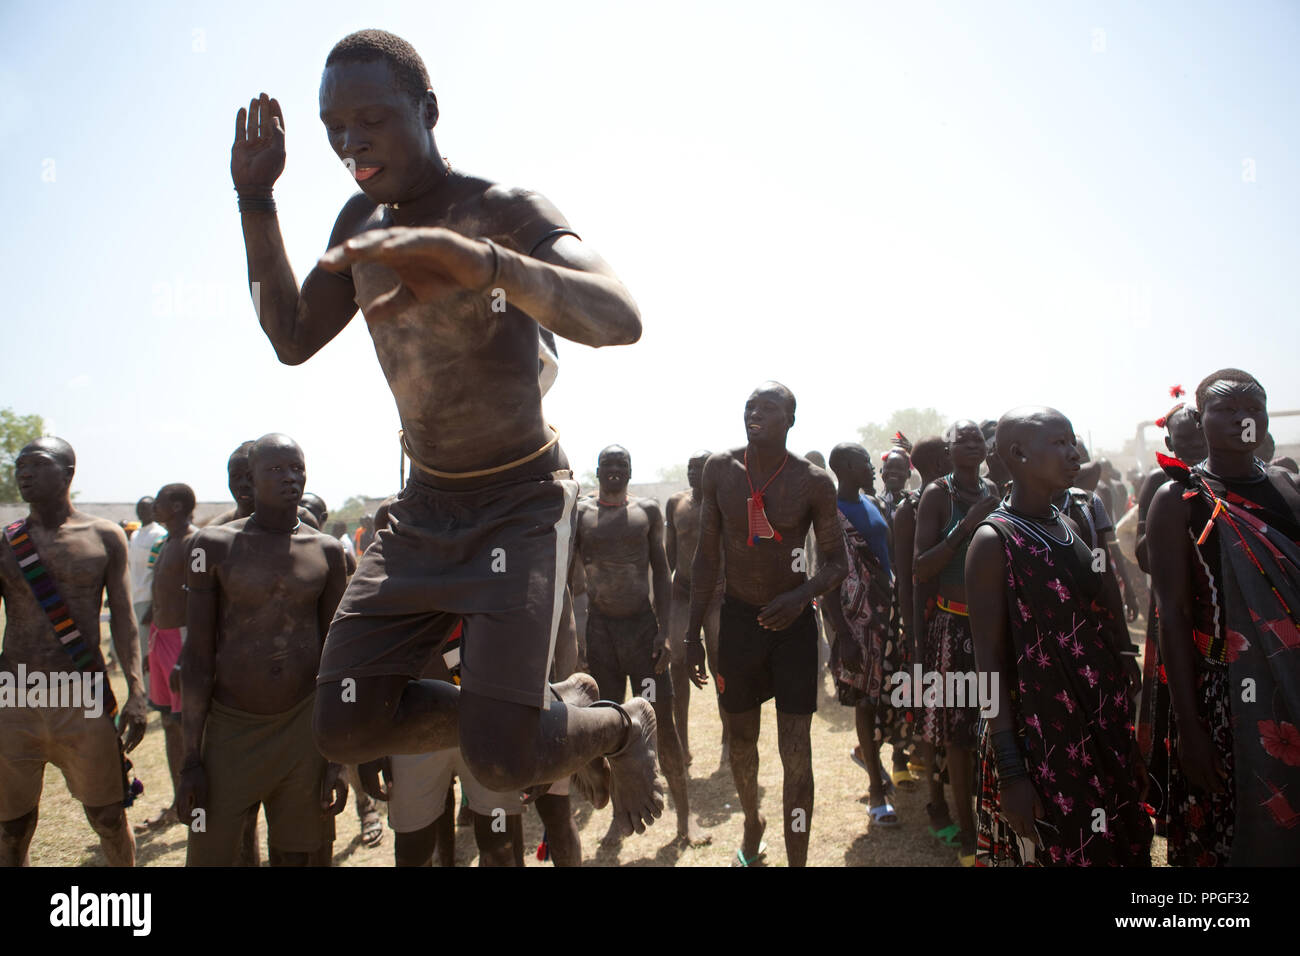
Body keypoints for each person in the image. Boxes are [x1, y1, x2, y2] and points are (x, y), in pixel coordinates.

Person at [235, 29, 662, 835]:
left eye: (371, 120)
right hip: (425, 510)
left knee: (505, 761)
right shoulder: (358, 220)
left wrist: (493, 267)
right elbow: (290, 336)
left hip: (519, 502)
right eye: (334, 129)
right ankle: (544, 712)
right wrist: (256, 205)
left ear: (428, 111)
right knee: (347, 725)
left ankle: (617, 724)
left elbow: (621, 316)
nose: (350, 143)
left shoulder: (503, 210)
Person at [968, 407, 1151, 866]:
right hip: (1041, 739)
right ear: (1018, 455)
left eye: (1073, 441)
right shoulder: (994, 540)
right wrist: (1012, 772)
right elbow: (987, 667)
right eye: (1060, 443)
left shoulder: (1067, 525)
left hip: (1096, 724)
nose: (1074, 453)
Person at [684, 382, 848, 866]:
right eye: (749, 405)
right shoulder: (721, 469)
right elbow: (705, 556)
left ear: (790, 420)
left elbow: (837, 563)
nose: (754, 412)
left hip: (793, 627)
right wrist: (692, 634)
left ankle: (797, 859)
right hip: (737, 623)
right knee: (740, 741)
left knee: (796, 750)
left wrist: (800, 598)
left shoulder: (813, 481)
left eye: (767, 407)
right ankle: (752, 818)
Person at [1147, 369, 1300, 865]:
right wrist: (1189, 729)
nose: (1242, 418)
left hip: (1293, 681)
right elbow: (1171, 613)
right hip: (1222, 693)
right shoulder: (1179, 500)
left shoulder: (1290, 488)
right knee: (1233, 828)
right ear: (1200, 417)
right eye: (1226, 409)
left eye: (1253, 407)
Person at [179, 434, 349, 865]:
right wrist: (190, 759)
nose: (290, 478)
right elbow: (197, 657)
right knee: (210, 851)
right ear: (249, 482)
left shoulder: (327, 552)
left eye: (297, 468)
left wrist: (337, 759)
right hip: (232, 725)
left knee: (296, 853)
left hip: (301, 724)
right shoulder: (211, 547)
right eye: (276, 469)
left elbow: (336, 655)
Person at [0, 438, 148, 866]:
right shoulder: (6, 543)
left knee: (107, 817)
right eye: (19, 466)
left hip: (81, 695)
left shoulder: (105, 536)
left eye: (36, 464)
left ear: (67, 474)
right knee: (11, 828)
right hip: (17, 695)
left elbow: (123, 619)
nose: (23, 473)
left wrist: (136, 691)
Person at [575, 445, 701, 848]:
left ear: (630, 471)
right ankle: (619, 817)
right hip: (602, 635)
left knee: (663, 724)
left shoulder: (647, 512)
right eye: (608, 466)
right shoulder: (581, 516)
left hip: (642, 633)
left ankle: (686, 819)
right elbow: (566, 574)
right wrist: (577, 640)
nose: (615, 472)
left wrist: (664, 632)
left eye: (622, 466)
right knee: (610, 728)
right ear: (597, 471)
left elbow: (662, 572)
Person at [912, 420, 1000, 864]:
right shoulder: (938, 495)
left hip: (996, 629)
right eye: (960, 438)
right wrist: (967, 524)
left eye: (976, 437)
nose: (970, 442)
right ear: (948, 451)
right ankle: (968, 834)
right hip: (953, 628)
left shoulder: (996, 491)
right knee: (960, 738)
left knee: (995, 727)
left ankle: (994, 824)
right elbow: (921, 568)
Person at [1132, 400, 1208, 836]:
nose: (1195, 449)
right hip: (1173, 610)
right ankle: (1167, 797)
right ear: (1169, 443)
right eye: (1186, 443)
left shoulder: (1229, 479)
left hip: (1219, 619)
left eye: (1200, 441)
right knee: (1171, 699)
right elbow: (1144, 555)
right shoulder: (1160, 483)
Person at [824, 443, 904, 827]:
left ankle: (866, 751)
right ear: (844, 468)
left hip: (888, 616)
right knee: (866, 704)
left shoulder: (875, 503)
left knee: (895, 697)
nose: (872, 467)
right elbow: (826, 583)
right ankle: (876, 790)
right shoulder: (828, 515)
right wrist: (843, 634)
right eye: (864, 463)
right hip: (856, 626)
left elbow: (887, 559)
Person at [134, 483, 198, 834]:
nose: (153, 508)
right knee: (170, 726)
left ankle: (196, 803)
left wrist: (184, 655)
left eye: (158, 502)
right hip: (161, 639)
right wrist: (152, 647)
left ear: (175, 505)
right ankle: (178, 803)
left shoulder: (194, 543)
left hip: (182, 643)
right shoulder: (167, 542)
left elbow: (199, 604)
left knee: (188, 727)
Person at [665, 450, 727, 768]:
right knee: (677, 663)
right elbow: (668, 555)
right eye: (690, 467)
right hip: (682, 594)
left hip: (716, 595)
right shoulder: (675, 503)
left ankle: (728, 739)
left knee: (720, 665)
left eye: (700, 468)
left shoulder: (724, 505)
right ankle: (682, 743)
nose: (694, 473)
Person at [126, 496, 166, 687]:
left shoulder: (159, 535)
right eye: (140, 508)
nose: (143, 511)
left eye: (147, 508)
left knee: (147, 650)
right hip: (133, 598)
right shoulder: (135, 535)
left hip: (148, 600)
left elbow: (160, 574)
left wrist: (153, 606)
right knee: (133, 649)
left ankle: (151, 693)